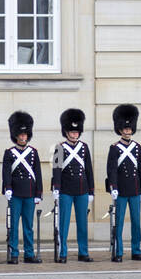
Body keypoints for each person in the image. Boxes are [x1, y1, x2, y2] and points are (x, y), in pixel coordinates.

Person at [51, 109, 94, 263]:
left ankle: (83, 252)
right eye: (72, 132)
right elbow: (56, 169)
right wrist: (56, 188)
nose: (75, 134)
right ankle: (63, 253)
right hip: (66, 190)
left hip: (82, 189)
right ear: (66, 132)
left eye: (76, 132)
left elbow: (88, 170)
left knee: (82, 223)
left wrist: (91, 190)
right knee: (64, 223)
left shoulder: (84, 147)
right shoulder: (59, 147)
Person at [106, 104, 141, 262]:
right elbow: (111, 170)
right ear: (120, 130)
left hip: (135, 190)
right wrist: (113, 187)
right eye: (125, 128)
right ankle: (118, 252)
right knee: (119, 223)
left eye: (129, 129)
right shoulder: (114, 148)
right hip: (121, 191)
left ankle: (136, 251)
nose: (128, 131)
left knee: (136, 223)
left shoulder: (137, 147)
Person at [3, 111, 43, 264]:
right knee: (13, 225)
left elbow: (38, 173)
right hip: (15, 194)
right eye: (20, 134)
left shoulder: (33, 152)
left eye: (25, 134)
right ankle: (14, 253)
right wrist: (7, 187)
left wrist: (38, 193)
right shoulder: (9, 153)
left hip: (30, 193)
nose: (23, 137)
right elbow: (6, 172)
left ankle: (29, 253)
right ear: (16, 135)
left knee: (28, 226)